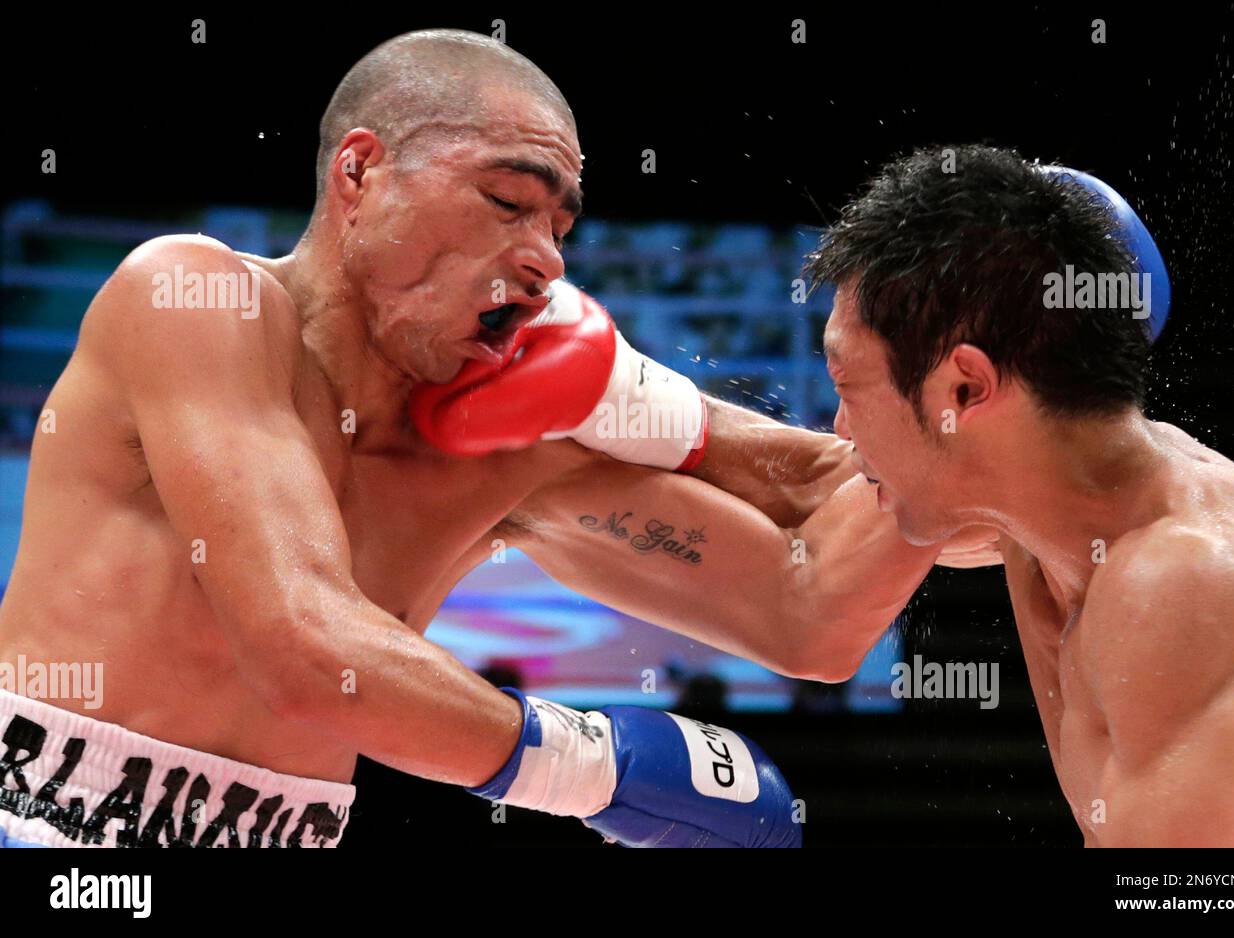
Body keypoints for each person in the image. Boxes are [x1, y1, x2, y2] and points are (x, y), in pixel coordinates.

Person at [0, 30, 985, 848]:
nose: (542, 253)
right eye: (506, 201)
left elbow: (809, 607)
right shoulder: (193, 298)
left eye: (560, 224)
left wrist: (970, 407)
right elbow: (300, 642)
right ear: (359, 171)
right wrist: (587, 763)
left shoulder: (503, 442)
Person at [809, 143, 1234, 846]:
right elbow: (800, 506)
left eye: (846, 385)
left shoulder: (1180, 581)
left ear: (965, 389)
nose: (840, 426)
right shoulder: (1035, 511)